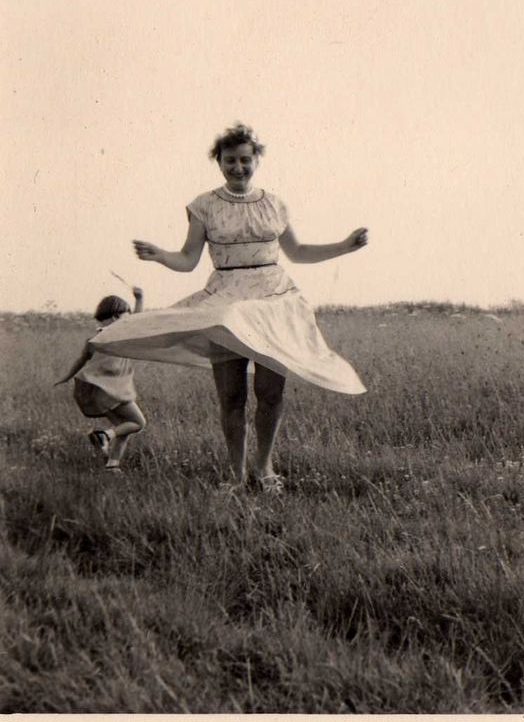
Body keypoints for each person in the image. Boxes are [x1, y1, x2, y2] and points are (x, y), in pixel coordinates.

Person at [90, 124, 368, 493]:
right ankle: (234, 475)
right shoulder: (203, 205)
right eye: (230, 160)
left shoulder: (275, 203)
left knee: (271, 393)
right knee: (232, 395)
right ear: (218, 162)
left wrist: (345, 246)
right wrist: (160, 256)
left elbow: (298, 253)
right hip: (226, 300)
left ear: (257, 160)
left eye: (245, 160)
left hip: (272, 301)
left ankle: (264, 468)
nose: (238, 167)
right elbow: (188, 260)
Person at [54, 287, 146, 473]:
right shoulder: (119, 334)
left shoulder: (94, 339)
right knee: (138, 423)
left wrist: (65, 378)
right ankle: (103, 435)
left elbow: (81, 361)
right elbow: (138, 321)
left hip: (89, 388)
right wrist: (140, 298)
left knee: (123, 427)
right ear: (115, 317)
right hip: (109, 390)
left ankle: (112, 465)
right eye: (126, 315)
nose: (129, 319)